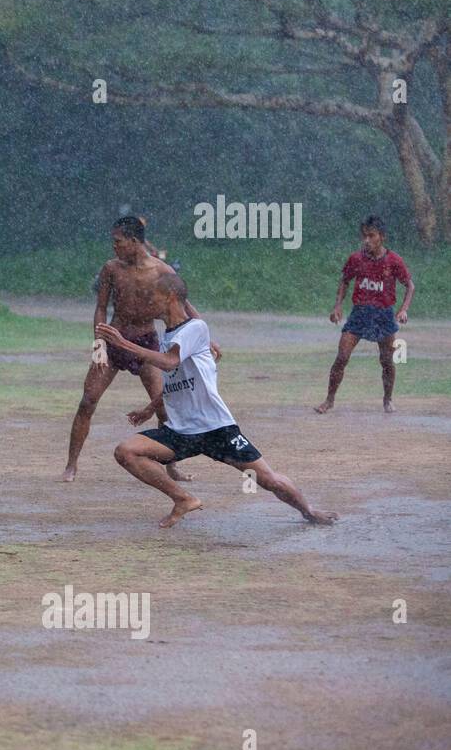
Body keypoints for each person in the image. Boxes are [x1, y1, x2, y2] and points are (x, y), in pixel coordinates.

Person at [101, 274, 338, 529]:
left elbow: (170, 362)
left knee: (268, 480)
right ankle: (183, 498)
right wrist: (150, 408)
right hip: (181, 432)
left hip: (216, 429)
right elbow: (178, 380)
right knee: (126, 451)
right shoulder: (170, 335)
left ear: (170, 298)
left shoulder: (195, 329)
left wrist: (124, 343)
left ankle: (309, 510)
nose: (146, 302)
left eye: (152, 296)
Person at [64, 215, 219, 483]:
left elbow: (185, 305)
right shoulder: (111, 269)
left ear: (134, 241)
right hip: (114, 339)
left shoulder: (162, 271)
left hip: (147, 343)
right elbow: (101, 307)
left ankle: (170, 466)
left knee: (164, 409)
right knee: (87, 400)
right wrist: (99, 344)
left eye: (118, 241)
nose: (114, 246)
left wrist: (205, 337)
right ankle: (71, 465)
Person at [315, 215, 414, 414]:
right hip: (359, 314)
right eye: (364, 236)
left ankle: (387, 399)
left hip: (384, 316)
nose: (366, 240)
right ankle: (329, 400)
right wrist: (337, 307)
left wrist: (403, 309)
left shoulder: (394, 261)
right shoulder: (356, 259)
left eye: (371, 236)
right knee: (342, 357)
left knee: (387, 361)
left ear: (382, 237)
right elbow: (344, 281)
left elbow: (409, 285)